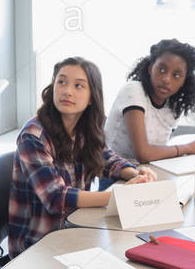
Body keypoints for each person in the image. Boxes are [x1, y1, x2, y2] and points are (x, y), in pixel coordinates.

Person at [9, 57, 155, 257]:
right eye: (61, 82)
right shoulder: (33, 135)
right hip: (38, 244)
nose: (67, 91)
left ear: (91, 97)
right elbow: (55, 197)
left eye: (79, 86)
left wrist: (137, 174)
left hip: (77, 228)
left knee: (134, 248)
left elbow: (107, 160)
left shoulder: (85, 129)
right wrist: (117, 197)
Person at [105, 39, 195, 163]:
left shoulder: (173, 105)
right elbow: (143, 154)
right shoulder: (133, 90)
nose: (166, 79)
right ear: (150, 68)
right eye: (162, 70)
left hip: (149, 170)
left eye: (176, 75)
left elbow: (160, 151)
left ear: (184, 81)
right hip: (115, 175)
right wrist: (189, 148)